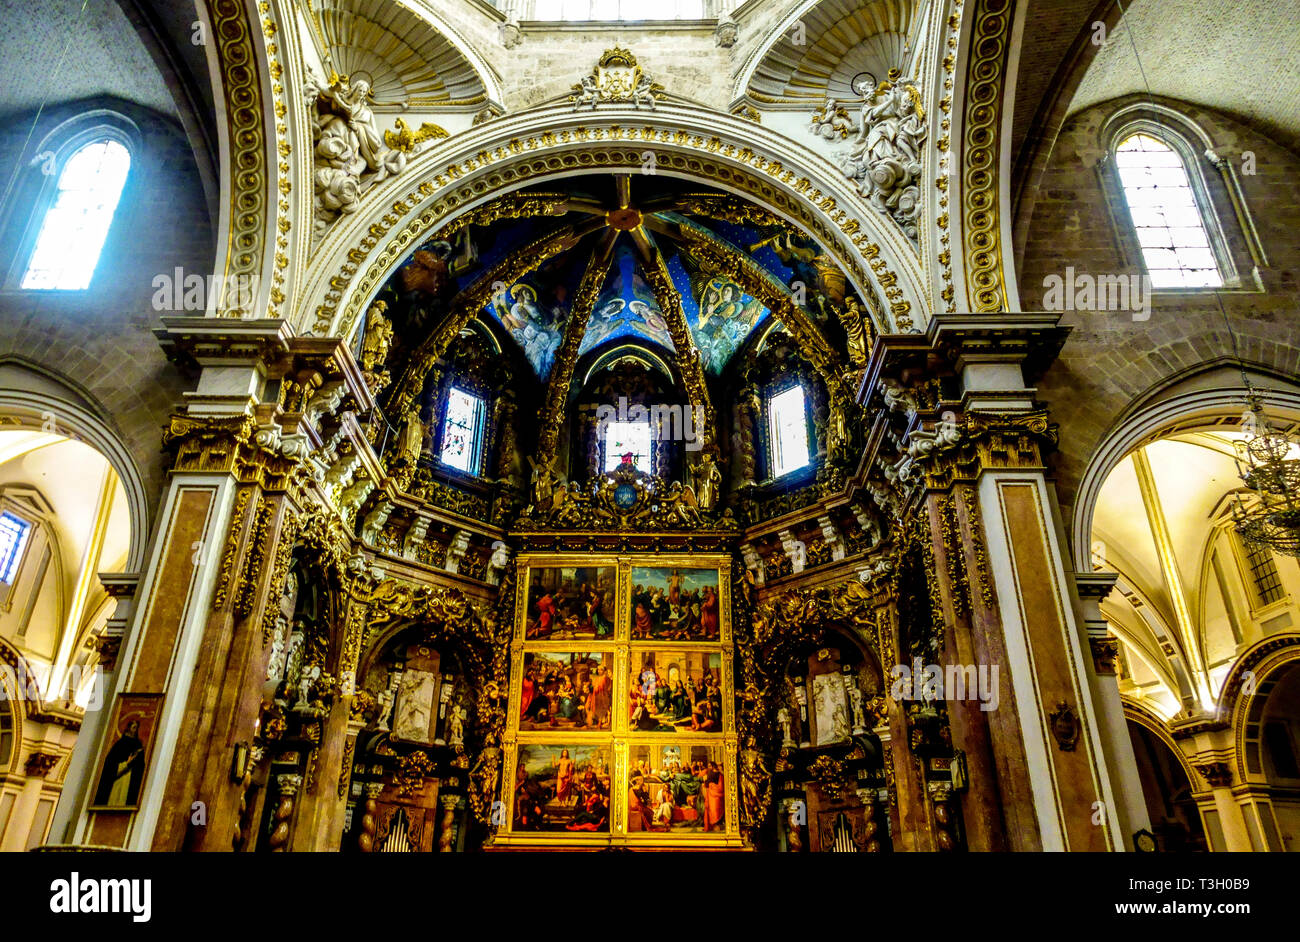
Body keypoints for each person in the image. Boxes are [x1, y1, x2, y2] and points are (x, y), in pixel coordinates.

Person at [94, 718, 145, 807]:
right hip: (119, 779)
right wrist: (127, 764)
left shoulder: (138, 745)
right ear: (128, 728)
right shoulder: (120, 744)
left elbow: (141, 765)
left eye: (137, 728)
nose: (135, 730)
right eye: (134, 728)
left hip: (130, 778)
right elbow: (110, 765)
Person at [703, 763, 725, 831]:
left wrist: (707, 783)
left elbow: (707, 784)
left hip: (713, 794)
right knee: (713, 809)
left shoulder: (714, 774)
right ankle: (714, 825)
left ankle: (715, 825)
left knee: (714, 809)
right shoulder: (718, 774)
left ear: (713, 766)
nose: (709, 767)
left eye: (710, 766)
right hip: (713, 794)